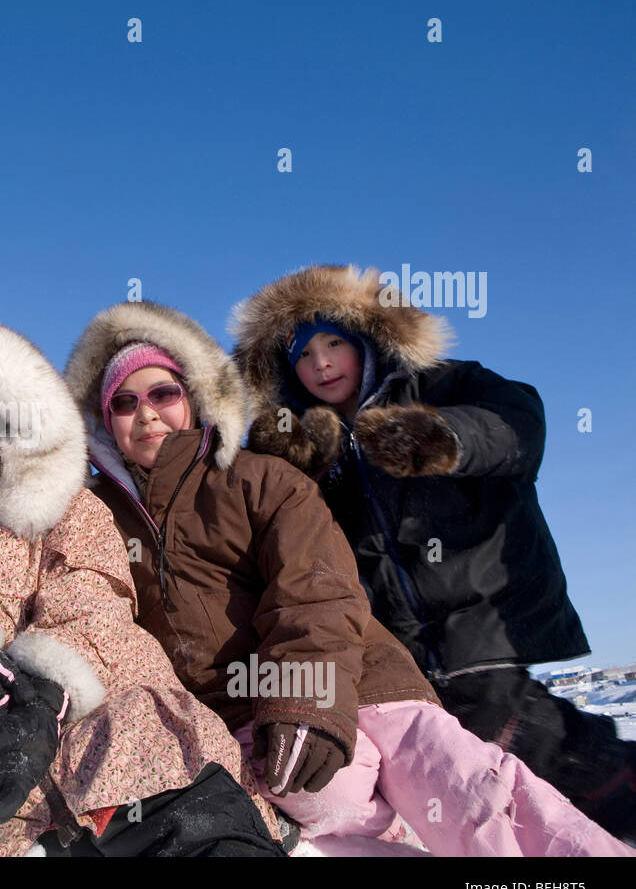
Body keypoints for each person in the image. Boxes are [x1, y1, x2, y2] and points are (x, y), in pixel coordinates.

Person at [64, 298, 632, 855]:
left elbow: (312, 580)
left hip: (413, 646)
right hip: (285, 692)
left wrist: (443, 437)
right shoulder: (98, 513)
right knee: (331, 796)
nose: (146, 413)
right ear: (102, 419)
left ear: (196, 396)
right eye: (123, 401)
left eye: (164, 393)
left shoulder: (260, 473)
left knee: (471, 777)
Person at [0, 309, 286, 857]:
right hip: (3, 745)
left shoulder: (65, 510)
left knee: (159, 773)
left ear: (11, 438)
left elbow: (90, 593)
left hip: (109, 698)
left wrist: (46, 686)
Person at [229, 264, 635, 841]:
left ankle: (612, 799)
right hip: (400, 639)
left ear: (367, 338)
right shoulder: (312, 443)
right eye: (302, 354)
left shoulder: (441, 384)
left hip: (485, 606)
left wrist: (442, 438)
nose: (320, 362)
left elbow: (520, 425)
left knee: (506, 720)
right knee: (455, 746)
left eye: (334, 342)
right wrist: (289, 463)